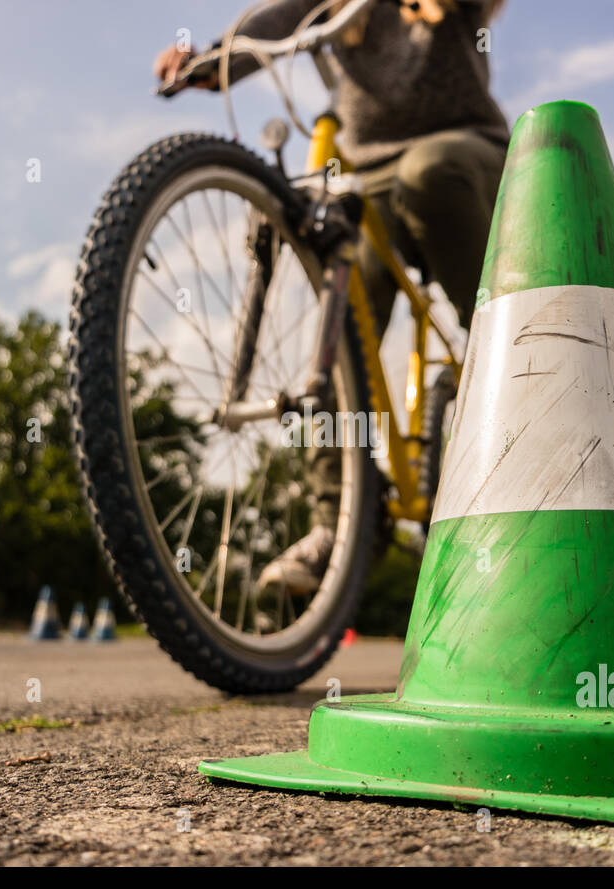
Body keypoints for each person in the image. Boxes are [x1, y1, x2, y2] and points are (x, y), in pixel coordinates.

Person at [154, 0, 509, 596]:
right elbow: (269, 25)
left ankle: (513, 363)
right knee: (338, 326)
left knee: (430, 172)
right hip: (367, 178)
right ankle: (340, 520)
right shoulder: (336, 5)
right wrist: (207, 61)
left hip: (466, 153)